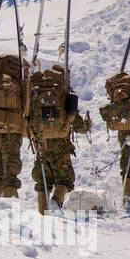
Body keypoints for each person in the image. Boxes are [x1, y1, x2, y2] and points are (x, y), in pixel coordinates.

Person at [26, 65, 92, 213]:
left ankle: (43, 213)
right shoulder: (63, 96)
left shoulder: (36, 93)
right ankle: (55, 202)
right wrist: (87, 125)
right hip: (61, 145)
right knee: (65, 179)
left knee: (43, 181)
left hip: (41, 143)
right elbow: (78, 125)